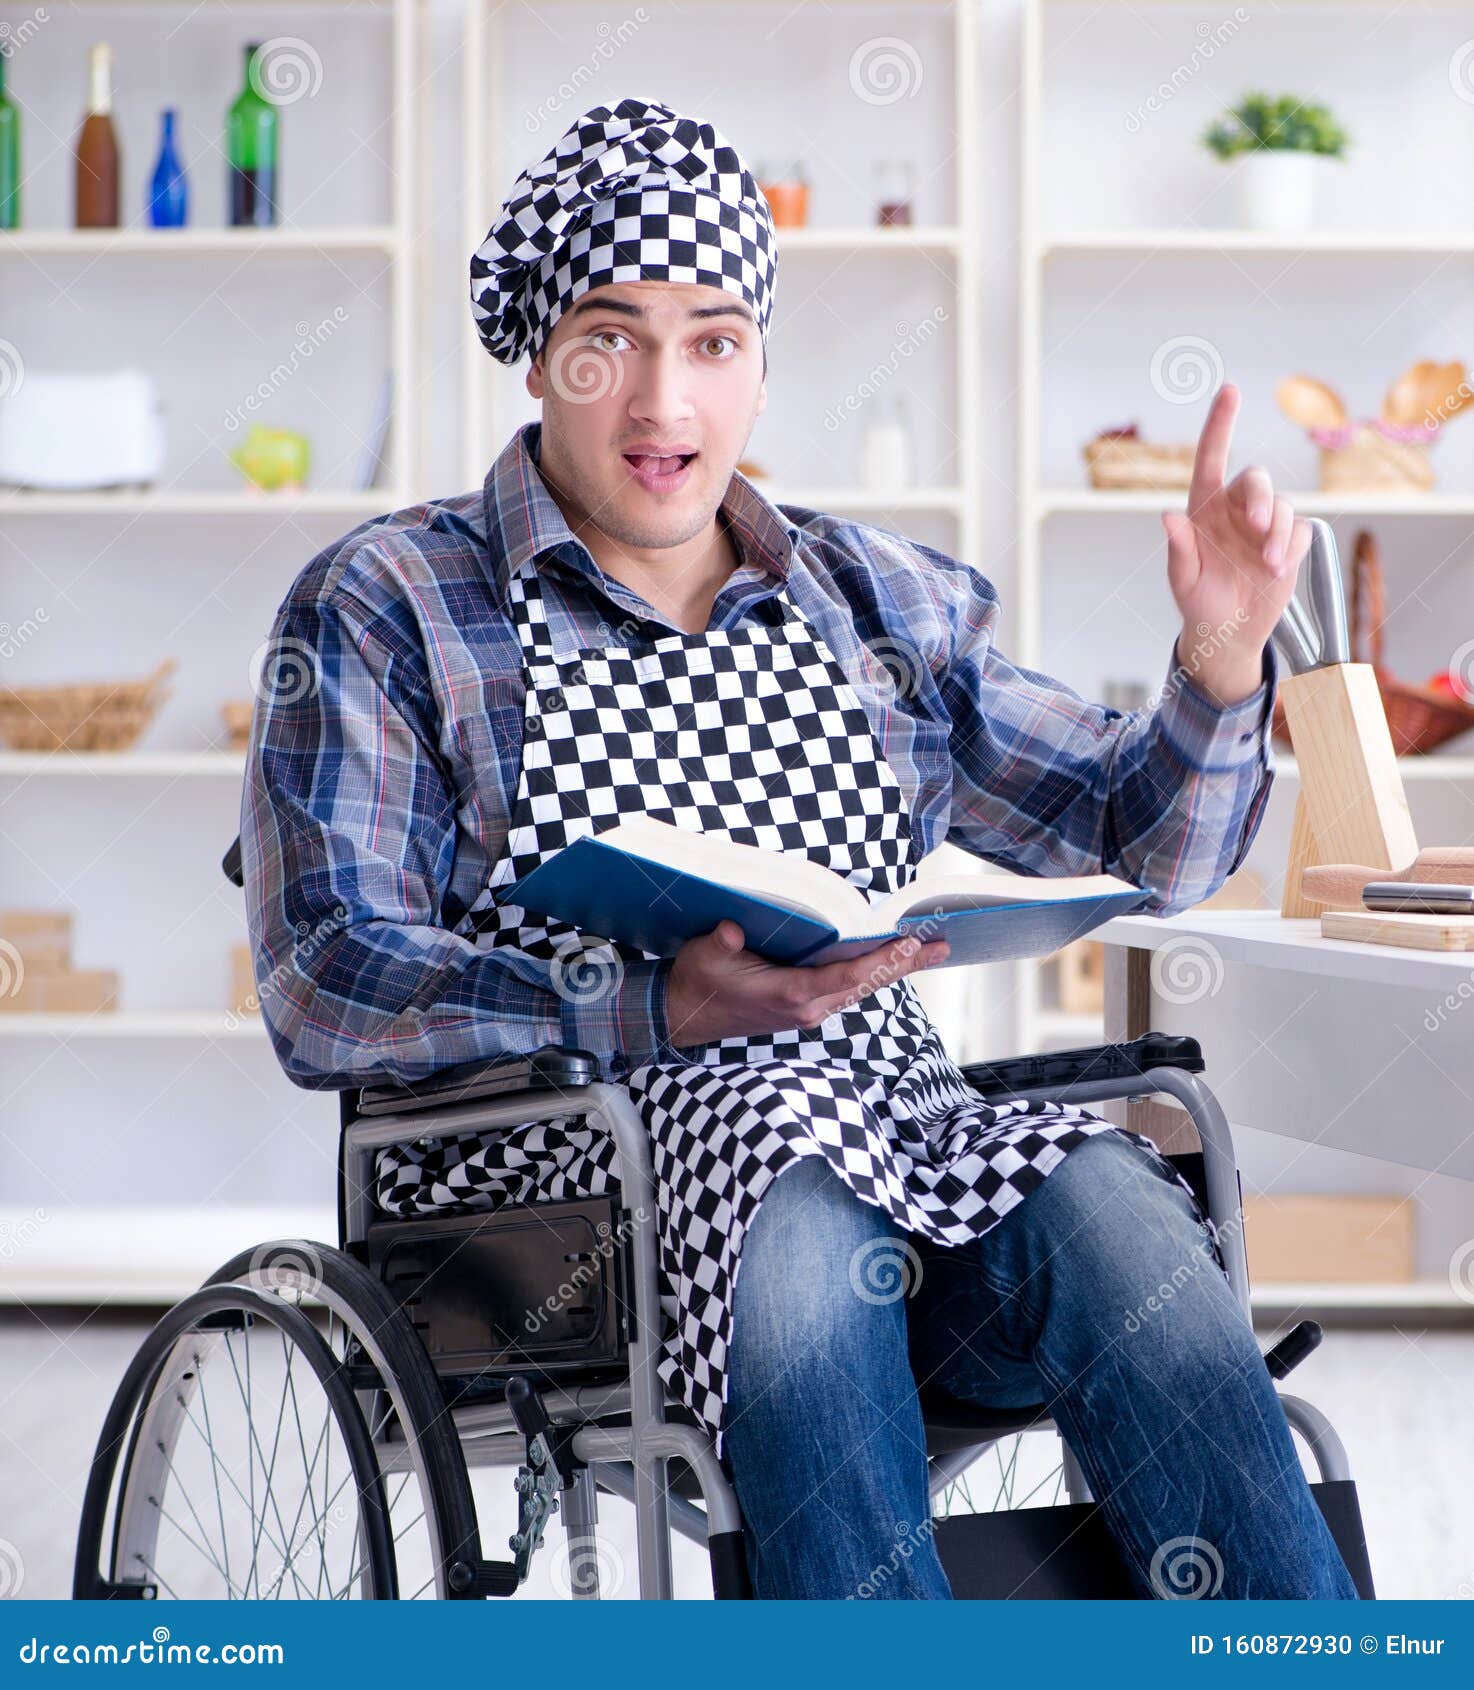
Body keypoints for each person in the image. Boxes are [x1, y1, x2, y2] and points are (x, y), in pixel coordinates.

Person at [240, 96, 1357, 1600]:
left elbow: (1134, 838)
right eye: (607, 337)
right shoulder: (388, 602)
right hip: (555, 1219)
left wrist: (1221, 664)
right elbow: (328, 978)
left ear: (760, 364)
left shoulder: (872, 598)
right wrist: (651, 1005)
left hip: (899, 1149)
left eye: (710, 340)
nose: (661, 398)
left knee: (1111, 1201)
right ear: (535, 355)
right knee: (792, 1186)